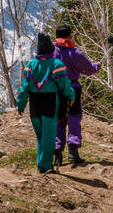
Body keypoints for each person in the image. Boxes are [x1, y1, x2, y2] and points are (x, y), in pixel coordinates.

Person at [16, 33, 75, 174]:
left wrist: (20, 104)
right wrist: (71, 96)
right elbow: (65, 85)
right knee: (49, 136)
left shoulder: (30, 65)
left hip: (34, 104)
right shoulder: (56, 64)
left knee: (40, 136)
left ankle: (41, 164)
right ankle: (46, 166)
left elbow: (24, 88)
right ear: (51, 50)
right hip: (50, 102)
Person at [52, 24, 100, 168]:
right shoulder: (75, 53)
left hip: (56, 89)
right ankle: (73, 152)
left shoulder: (52, 53)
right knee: (74, 118)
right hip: (73, 88)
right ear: (69, 36)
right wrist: (97, 66)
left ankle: (56, 152)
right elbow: (89, 69)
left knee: (59, 119)